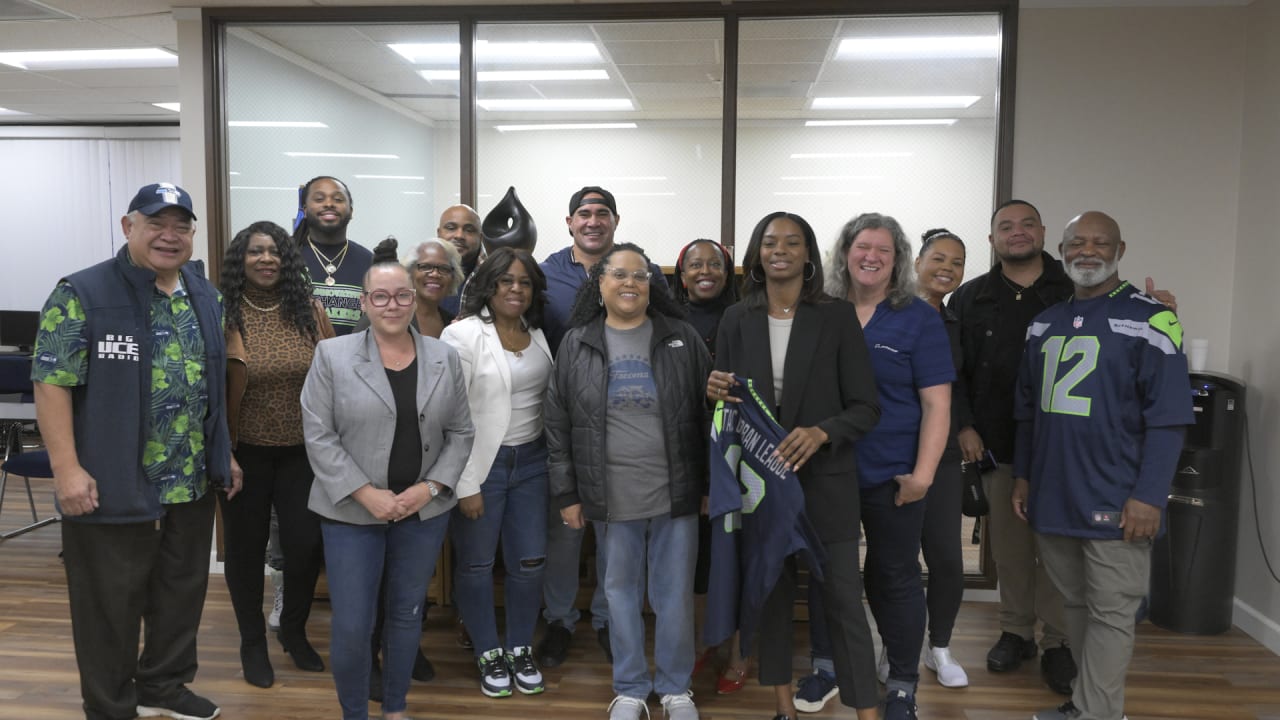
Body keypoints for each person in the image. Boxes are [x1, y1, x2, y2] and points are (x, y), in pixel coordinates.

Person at [32, 182, 237, 720]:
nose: (169, 236)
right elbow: (51, 381)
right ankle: (110, 706)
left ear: (193, 234)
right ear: (129, 227)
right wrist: (67, 469)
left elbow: (210, 385)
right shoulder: (83, 291)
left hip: (190, 479)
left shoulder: (203, 293)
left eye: (181, 226)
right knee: (108, 606)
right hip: (112, 480)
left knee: (180, 594)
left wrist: (224, 454)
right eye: (156, 224)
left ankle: (163, 686)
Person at [1012, 211, 1193, 720]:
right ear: (1062, 250)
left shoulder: (1154, 319)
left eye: (1100, 242)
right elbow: (1027, 413)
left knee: (1112, 613)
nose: (1087, 251)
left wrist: (1150, 495)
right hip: (1054, 493)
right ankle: (1086, 706)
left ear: (1120, 249)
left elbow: (1170, 419)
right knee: (1076, 608)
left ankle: (1099, 714)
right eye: (1077, 242)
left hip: (1118, 498)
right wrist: (1024, 475)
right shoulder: (1043, 323)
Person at [706, 211, 881, 720]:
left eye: (792, 241)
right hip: (762, 485)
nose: (779, 249)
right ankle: (783, 707)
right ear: (757, 254)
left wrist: (823, 431)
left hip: (828, 481)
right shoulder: (737, 318)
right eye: (769, 241)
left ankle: (867, 712)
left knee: (845, 600)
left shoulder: (836, 316)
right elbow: (727, 403)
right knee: (773, 595)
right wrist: (713, 389)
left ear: (808, 254)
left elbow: (867, 407)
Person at [301, 238, 474, 720]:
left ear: (414, 297)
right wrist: (366, 495)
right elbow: (318, 435)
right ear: (364, 301)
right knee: (354, 625)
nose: (392, 304)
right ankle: (355, 712)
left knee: (405, 615)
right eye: (380, 295)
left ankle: (395, 707)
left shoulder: (444, 357)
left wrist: (430, 488)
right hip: (350, 513)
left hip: (423, 514)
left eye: (402, 294)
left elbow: (462, 432)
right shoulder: (332, 357)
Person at [545, 242, 709, 720]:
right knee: (618, 594)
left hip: (674, 492)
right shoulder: (577, 342)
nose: (630, 283)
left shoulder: (681, 337)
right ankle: (632, 688)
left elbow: (705, 416)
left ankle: (677, 688)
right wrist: (568, 493)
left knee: (674, 594)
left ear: (652, 285)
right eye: (619, 275)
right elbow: (557, 424)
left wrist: (707, 486)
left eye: (640, 275)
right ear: (600, 285)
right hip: (609, 496)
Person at [806, 212, 952, 720]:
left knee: (895, 576)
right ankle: (827, 666)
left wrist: (924, 474)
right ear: (844, 252)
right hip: (827, 471)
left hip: (894, 476)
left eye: (883, 250)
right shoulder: (820, 311)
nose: (871, 257)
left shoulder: (917, 317)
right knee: (829, 575)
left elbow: (936, 404)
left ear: (898, 260)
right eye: (862, 246)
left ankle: (903, 686)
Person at [948, 200, 1078, 693]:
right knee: (1010, 546)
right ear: (992, 240)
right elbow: (952, 371)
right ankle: (1016, 630)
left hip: (1064, 446)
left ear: (1044, 233)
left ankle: (1058, 642)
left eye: (1027, 225)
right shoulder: (969, 298)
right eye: (1006, 226)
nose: (1017, 233)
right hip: (996, 444)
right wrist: (963, 425)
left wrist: (1161, 312)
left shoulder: (1076, 290)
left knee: (1058, 548)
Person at [535, 186, 666, 668]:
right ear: (569, 222)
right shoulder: (546, 274)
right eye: (584, 214)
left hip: (628, 417)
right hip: (566, 410)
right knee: (566, 528)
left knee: (616, 531)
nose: (593, 221)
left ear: (615, 220)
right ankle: (559, 620)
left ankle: (611, 619)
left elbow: (665, 323)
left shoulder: (637, 268)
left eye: (602, 214)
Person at [220, 220, 335, 688]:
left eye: (273, 252)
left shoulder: (307, 309)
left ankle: (293, 629)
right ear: (240, 260)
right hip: (243, 453)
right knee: (245, 553)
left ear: (286, 260)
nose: (265, 259)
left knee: (305, 548)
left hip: (303, 452)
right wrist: (220, 453)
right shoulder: (222, 313)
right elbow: (211, 391)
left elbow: (333, 371)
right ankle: (251, 641)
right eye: (254, 252)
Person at [440, 248, 554, 698]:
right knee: (476, 563)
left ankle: (520, 647)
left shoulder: (538, 333)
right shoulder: (462, 336)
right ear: (489, 284)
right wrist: (465, 483)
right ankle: (489, 651)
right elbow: (452, 415)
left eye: (524, 282)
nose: (516, 289)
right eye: (506, 281)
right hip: (481, 467)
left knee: (529, 563)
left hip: (532, 463)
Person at [672, 238, 749, 694]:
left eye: (714, 264)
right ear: (681, 276)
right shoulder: (669, 321)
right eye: (695, 265)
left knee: (739, 554)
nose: (705, 271)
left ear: (728, 272)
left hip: (742, 451)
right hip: (689, 451)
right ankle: (710, 645)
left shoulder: (745, 316)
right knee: (700, 561)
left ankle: (740, 650)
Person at [913, 228, 973, 689]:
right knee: (895, 560)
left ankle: (940, 647)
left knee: (947, 559)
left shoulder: (958, 323)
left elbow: (964, 386)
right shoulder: (888, 314)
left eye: (956, 262)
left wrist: (969, 427)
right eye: (939, 258)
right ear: (917, 262)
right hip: (894, 450)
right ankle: (899, 649)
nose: (946, 268)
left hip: (946, 454)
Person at [293, 175, 374, 335]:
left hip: (356, 358)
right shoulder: (287, 257)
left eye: (338, 199)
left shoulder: (370, 262)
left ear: (351, 211)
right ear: (305, 210)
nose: (329, 204)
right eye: (319, 199)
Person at [437, 204, 483, 316]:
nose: (459, 235)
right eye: (451, 228)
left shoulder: (493, 276)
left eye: (469, 230)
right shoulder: (421, 273)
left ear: (480, 238)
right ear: (438, 233)